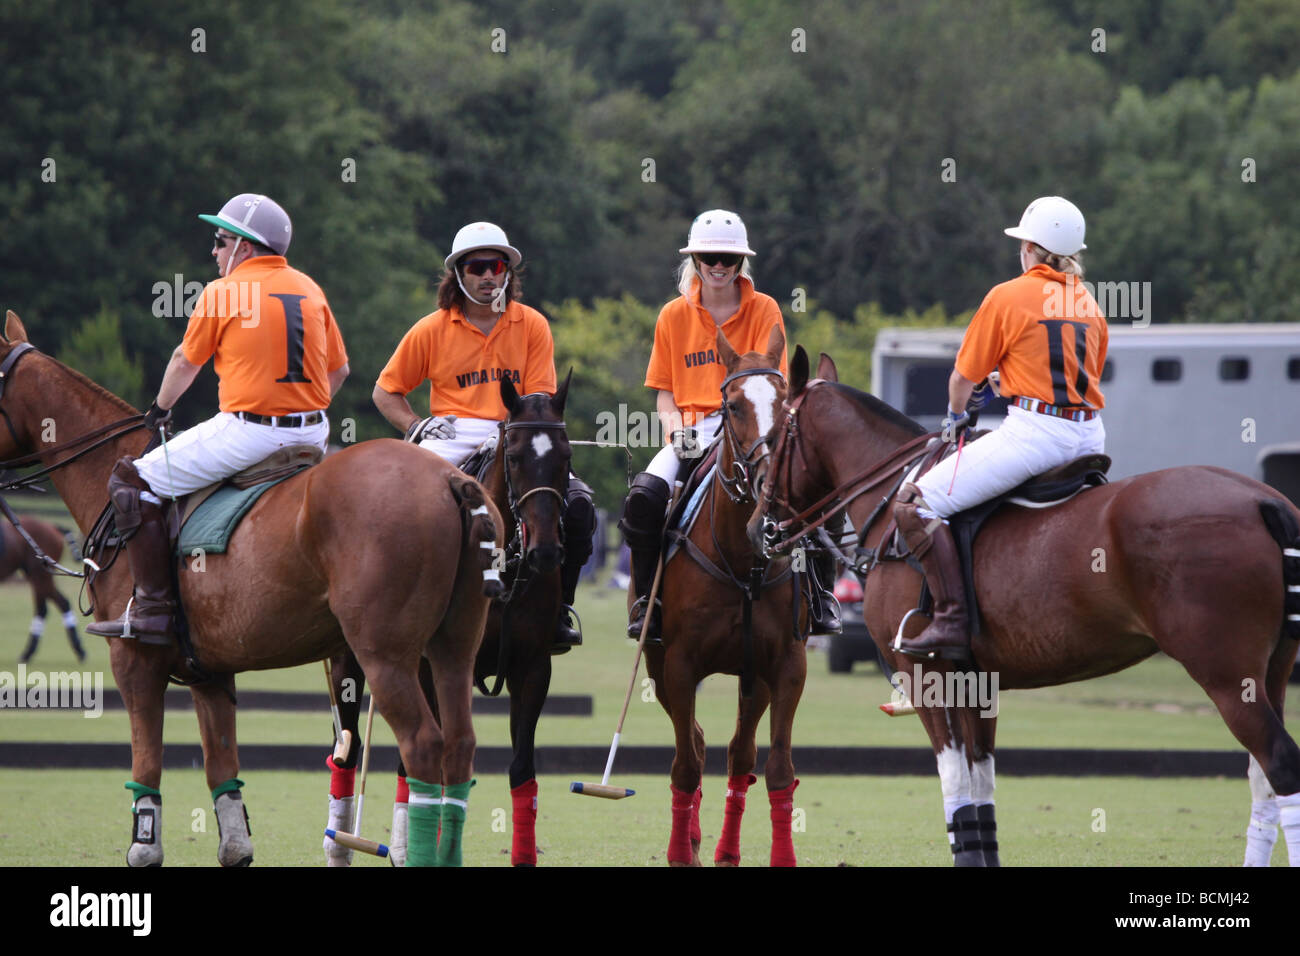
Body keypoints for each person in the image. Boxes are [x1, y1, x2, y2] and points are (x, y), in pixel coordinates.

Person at [88, 193, 349, 644]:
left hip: (249, 432)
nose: (214, 251)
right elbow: (339, 372)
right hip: (315, 433)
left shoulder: (223, 291)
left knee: (132, 482)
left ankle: (153, 608)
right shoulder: (310, 288)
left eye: (220, 240)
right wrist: (301, 407)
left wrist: (160, 409)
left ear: (245, 247)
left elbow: (184, 362)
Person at [893, 195, 1107, 660]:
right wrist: (1008, 381)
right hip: (1090, 435)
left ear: (1029, 248)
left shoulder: (1007, 295)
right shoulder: (1088, 302)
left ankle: (950, 620)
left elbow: (960, 380)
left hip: (1037, 436)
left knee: (915, 504)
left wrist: (955, 419)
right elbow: (1073, 375)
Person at [372, 221, 595, 653]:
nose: (488, 275)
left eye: (497, 266)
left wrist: (513, 433)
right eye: (477, 267)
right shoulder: (431, 329)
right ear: (459, 274)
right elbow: (385, 392)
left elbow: (539, 400)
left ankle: (558, 609)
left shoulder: (532, 324)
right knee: (404, 507)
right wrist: (414, 425)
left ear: (508, 272)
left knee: (579, 505)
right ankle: (398, 602)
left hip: (515, 431)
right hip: (450, 432)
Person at [619, 209, 840, 643]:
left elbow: (772, 384)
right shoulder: (672, 315)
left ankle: (820, 595)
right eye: (710, 258)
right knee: (645, 497)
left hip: (755, 427)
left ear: (741, 263)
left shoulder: (765, 308)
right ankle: (647, 601)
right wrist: (676, 432)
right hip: (694, 429)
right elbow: (664, 393)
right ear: (695, 260)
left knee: (812, 490)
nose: (718, 266)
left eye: (729, 259)